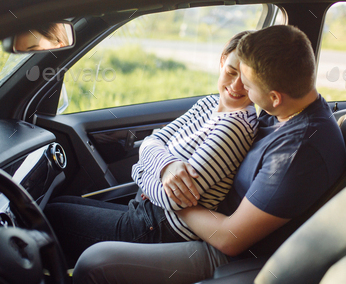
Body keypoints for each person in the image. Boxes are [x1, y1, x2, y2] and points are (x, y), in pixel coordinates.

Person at [71, 25, 346, 284]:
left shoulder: (299, 151)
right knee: (61, 207)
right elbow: (157, 146)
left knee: (95, 264)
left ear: (274, 96)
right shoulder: (282, 111)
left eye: (249, 86)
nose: (242, 91)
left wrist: (173, 196)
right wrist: (164, 170)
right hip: (199, 221)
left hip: (224, 253)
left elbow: (231, 239)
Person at [44, 31, 258, 264]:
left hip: (161, 228)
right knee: (56, 204)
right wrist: (165, 167)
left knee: (53, 217)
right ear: (221, 62)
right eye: (231, 71)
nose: (236, 85)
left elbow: (175, 201)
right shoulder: (208, 103)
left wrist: (142, 172)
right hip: (145, 210)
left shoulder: (236, 127)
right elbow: (152, 141)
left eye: (247, 78)